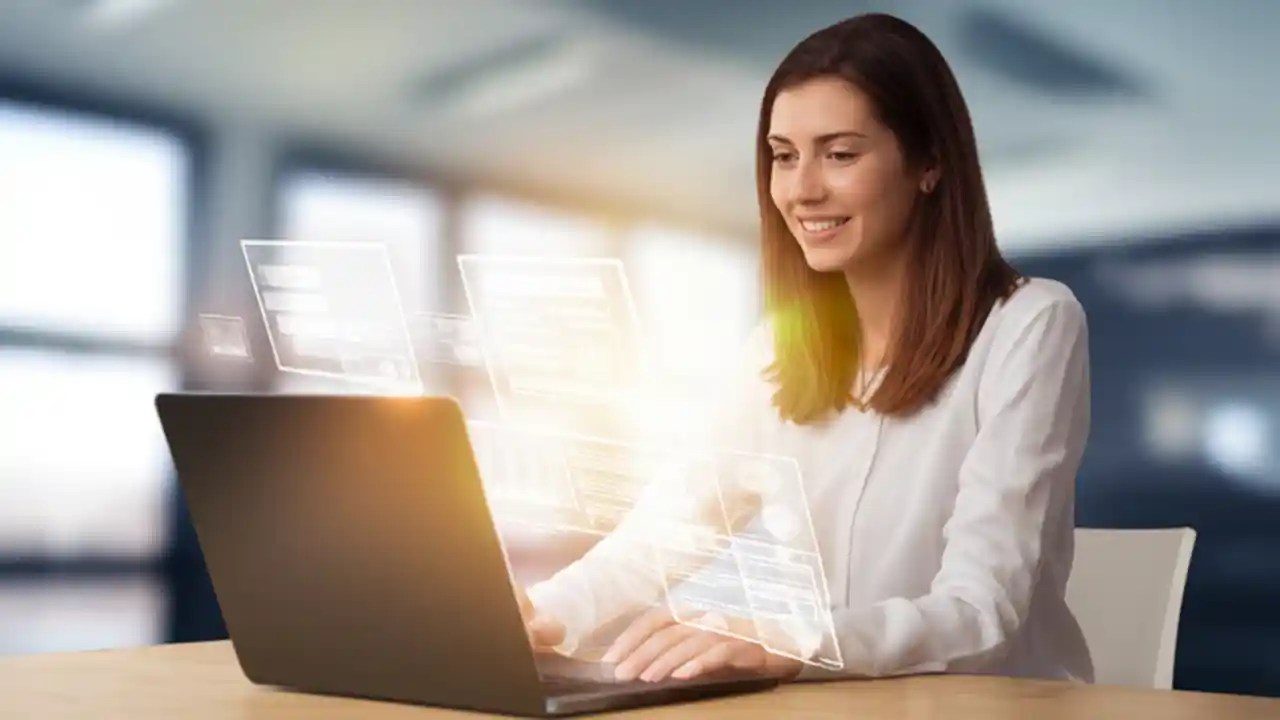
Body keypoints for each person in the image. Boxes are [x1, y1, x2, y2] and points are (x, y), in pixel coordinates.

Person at [516, 12, 1094, 685]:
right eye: (784, 155)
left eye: (840, 154)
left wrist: (793, 639)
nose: (801, 188)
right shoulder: (775, 350)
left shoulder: (1031, 323)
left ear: (930, 162)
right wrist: (538, 612)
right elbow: (667, 533)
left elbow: (980, 610)